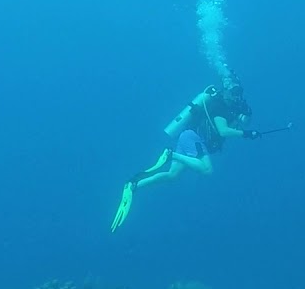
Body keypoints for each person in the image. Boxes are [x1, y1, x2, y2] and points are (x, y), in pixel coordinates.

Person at [111, 76, 259, 232]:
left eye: (239, 91)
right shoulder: (219, 106)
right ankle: (172, 155)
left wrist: (245, 117)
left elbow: (240, 121)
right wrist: (246, 134)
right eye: (234, 91)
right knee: (207, 170)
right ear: (226, 91)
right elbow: (223, 130)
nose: (237, 95)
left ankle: (134, 185)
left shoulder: (228, 108)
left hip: (187, 136)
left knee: (172, 175)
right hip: (194, 138)